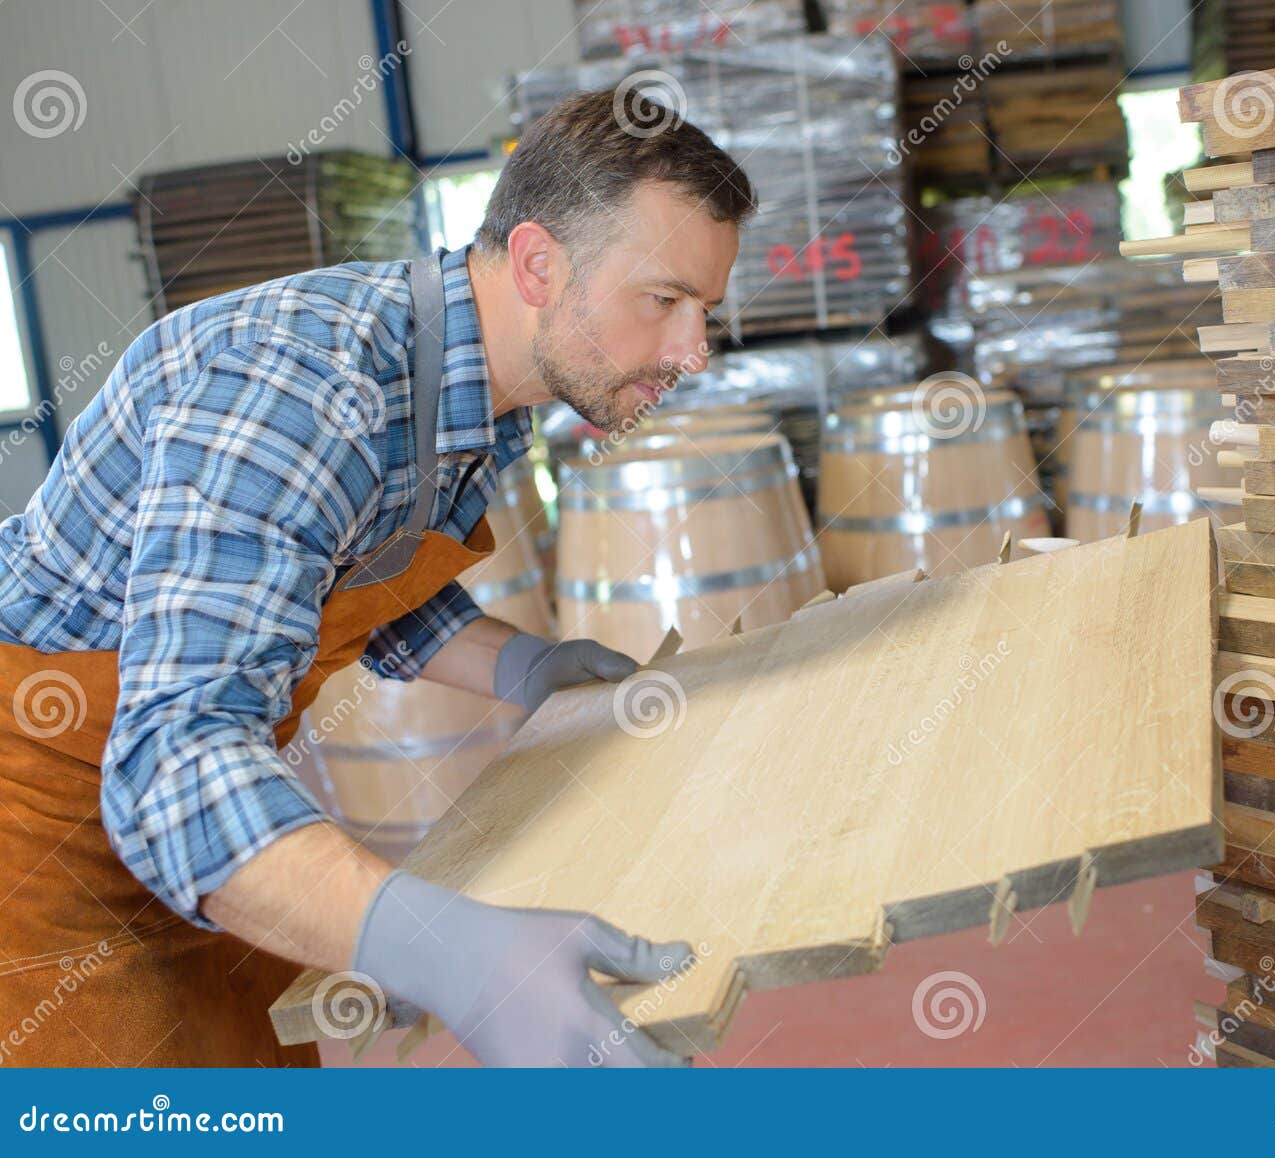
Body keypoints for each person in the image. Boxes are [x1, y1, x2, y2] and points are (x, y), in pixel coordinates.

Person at [0, 88, 757, 1067]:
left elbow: (348, 576)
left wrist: (522, 665)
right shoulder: (302, 393)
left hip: (210, 805)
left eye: (705, 312)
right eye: (663, 300)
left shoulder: (474, 384)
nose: (694, 352)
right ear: (538, 264)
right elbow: (169, 770)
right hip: (41, 823)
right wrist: (455, 958)